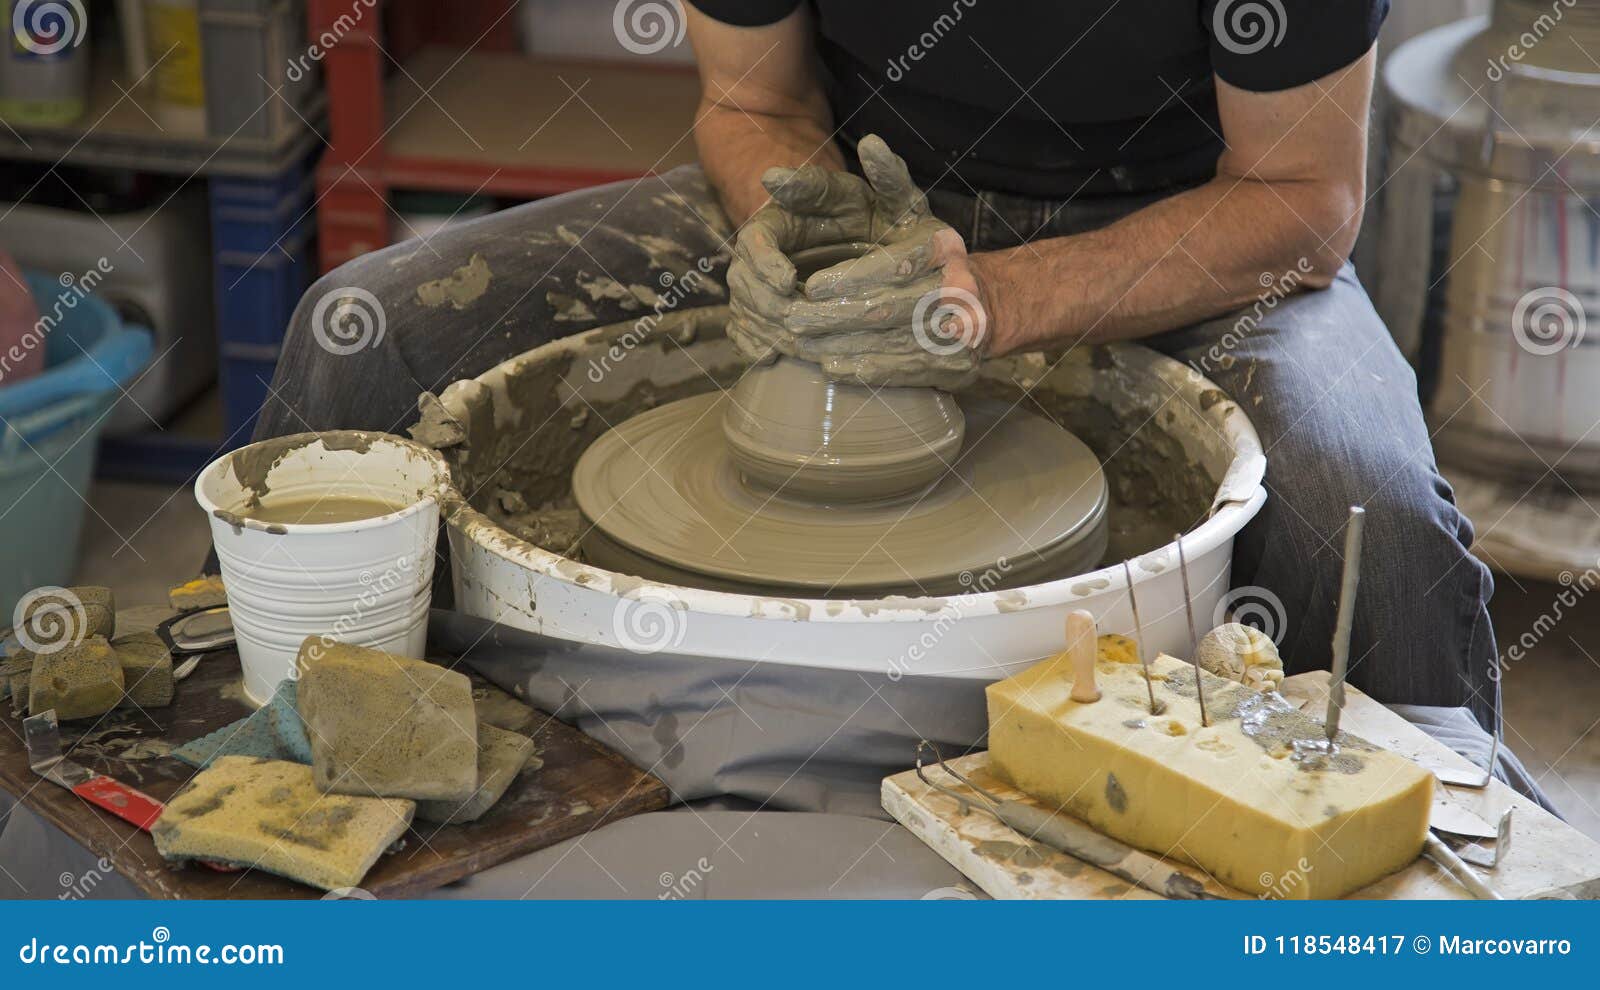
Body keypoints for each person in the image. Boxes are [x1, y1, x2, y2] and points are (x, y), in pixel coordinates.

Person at [255, 0, 1506, 749]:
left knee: (1371, 524)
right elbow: (750, 100)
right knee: (366, 330)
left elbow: (1301, 203)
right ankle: (283, 789)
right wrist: (803, 231)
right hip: (871, 204)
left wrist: (997, 300)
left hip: (1191, 245)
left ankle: (1446, 916)